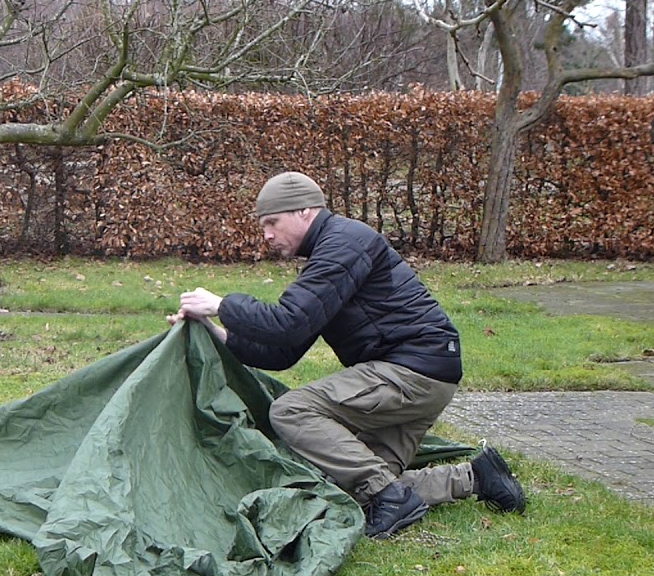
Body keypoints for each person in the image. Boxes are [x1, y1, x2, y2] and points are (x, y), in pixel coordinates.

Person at [169, 171, 525, 539]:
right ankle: (476, 477)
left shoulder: (344, 243)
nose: (267, 235)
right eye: (263, 226)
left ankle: (392, 497)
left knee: (293, 410)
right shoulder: (331, 252)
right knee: (354, 487)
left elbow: (288, 322)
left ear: (305, 211)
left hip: (412, 371)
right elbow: (284, 351)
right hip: (427, 373)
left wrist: (222, 304)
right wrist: (218, 333)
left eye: (272, 222)